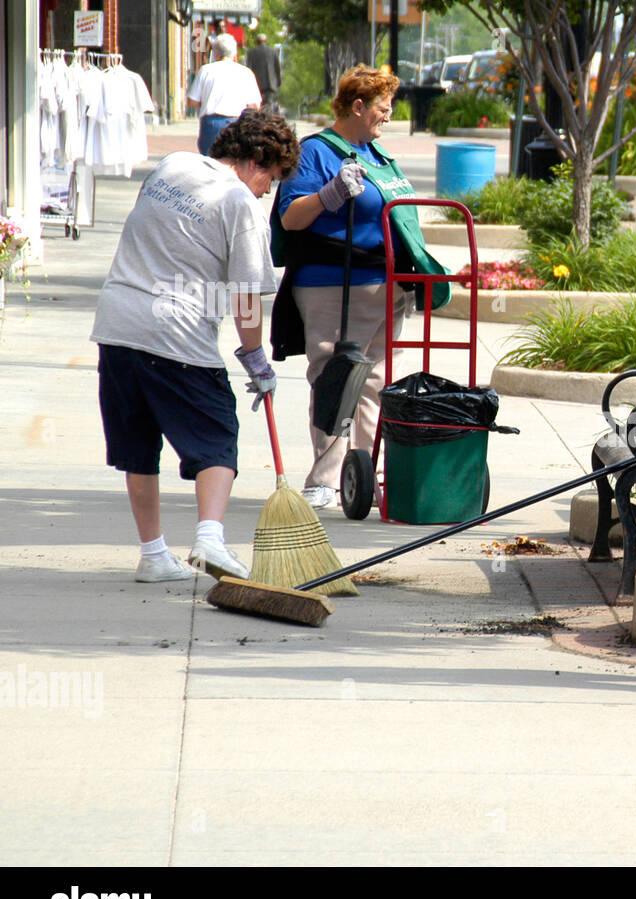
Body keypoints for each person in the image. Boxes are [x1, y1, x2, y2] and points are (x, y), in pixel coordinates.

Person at [91, 109, 301, 582]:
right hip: (177, 334)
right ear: (255, 161)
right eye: (271, 178)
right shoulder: (240, 204)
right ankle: (209, 539)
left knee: (138, 446)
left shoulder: (172, 165)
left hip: (118, 324)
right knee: (217, 435)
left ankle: (153, 556)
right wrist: (256, 360)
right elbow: (246, 298)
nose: (267, 191)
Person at [273, 65, 449, 510]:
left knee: (376, 384)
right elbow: (290, 218)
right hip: (334, 284)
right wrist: (330, 194)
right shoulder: (316, 153)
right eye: (382, 108)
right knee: (336, 378)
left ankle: (363, 475)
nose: (388, 116)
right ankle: (325, 479)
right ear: (357, 106)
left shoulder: (376, 155)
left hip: (385, 286)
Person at [187, 33, 262, 156]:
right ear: (235, 53)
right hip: (237, 123)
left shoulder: (206, 70)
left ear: (215, 52)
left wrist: (207, 99)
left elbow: (191, 101)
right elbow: (255, 106)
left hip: (211, 123)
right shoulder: (246, 73)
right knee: (234, 160)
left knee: (209, 161)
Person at [246, 33, 282, 115]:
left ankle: (258, 119)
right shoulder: (272, 51)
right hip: (270, 83)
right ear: (266, 41)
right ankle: (267, 118)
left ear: (256, 41)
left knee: (257, 104)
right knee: (268, 104)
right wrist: (278, 81)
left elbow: (249, 67)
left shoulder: (252, 52)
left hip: (256, 83)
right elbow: (277, 67)